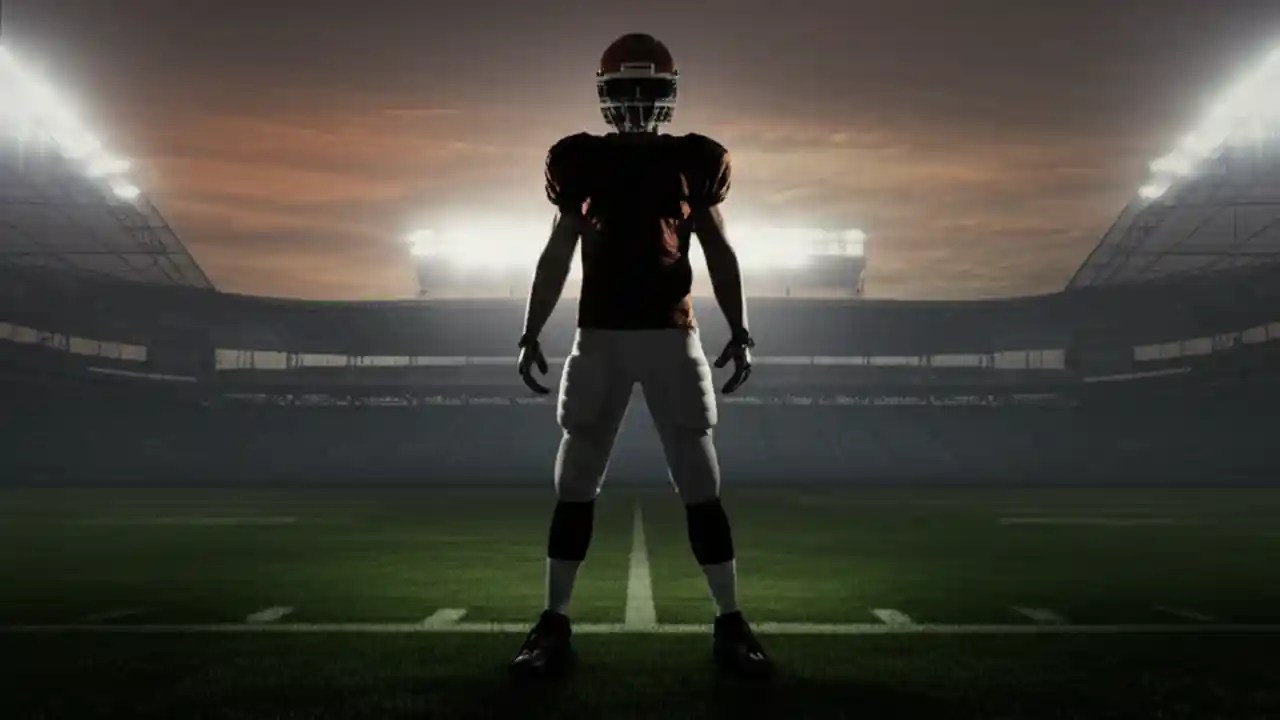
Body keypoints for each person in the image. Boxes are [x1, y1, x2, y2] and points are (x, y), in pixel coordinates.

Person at [509, 33, 771, 679]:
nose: (634, 105)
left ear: (668, 96)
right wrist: (530, 327)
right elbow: (556, 255)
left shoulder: (692, 160)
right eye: (624, 92)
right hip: (599, 335)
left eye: (646, 92)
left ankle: (731, 623)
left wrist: (740, 326)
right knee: (574, 481)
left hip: (666, 334)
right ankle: (554, 623)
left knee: (700, 482)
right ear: (604, 96)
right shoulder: (579, 161)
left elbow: (718, 251)